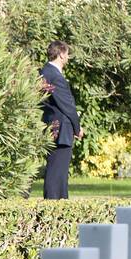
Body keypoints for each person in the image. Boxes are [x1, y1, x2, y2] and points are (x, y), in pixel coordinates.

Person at [40, 40, 82, 200]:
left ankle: (57, 205)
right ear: (61, 54)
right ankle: (55, 207)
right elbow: (68, 107)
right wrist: (77, 128)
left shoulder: (44, 72)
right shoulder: (55, 76)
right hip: (62, 128)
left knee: (56, 171)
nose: (68, 58)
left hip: (51, 125)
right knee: (57, 172)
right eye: (67, 54)